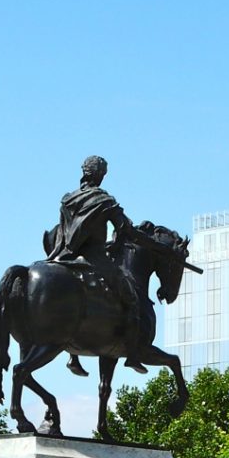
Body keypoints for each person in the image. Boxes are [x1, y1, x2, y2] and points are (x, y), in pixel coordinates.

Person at [44, 154, 146, 376]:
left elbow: (62, 230)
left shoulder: (67, 199)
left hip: (64, 257)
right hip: (94, 258)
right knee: (131, 297)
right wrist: (118, 242)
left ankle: (73, 356)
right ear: (100, 175)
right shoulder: (104, 201)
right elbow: (124, 228)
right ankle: (134, 354)